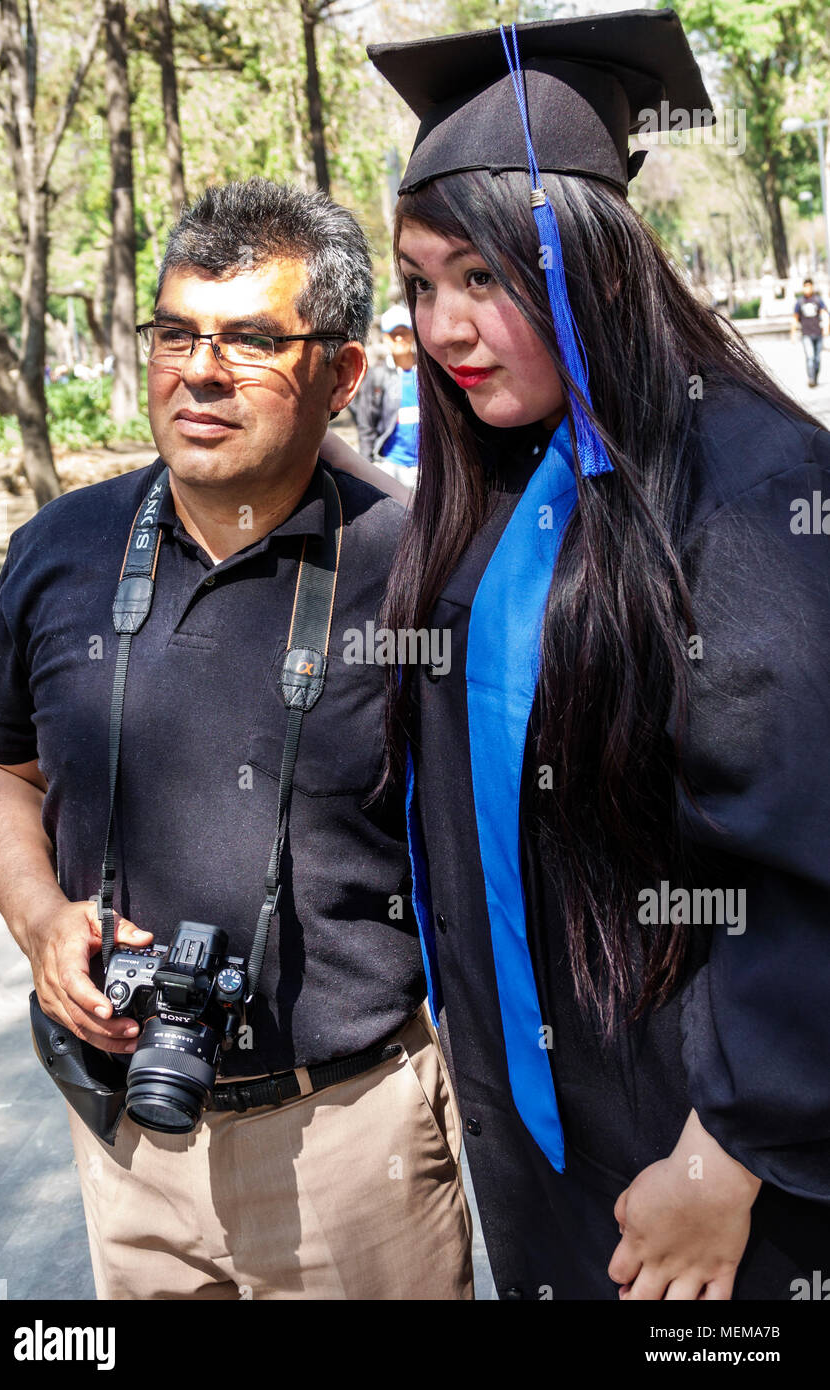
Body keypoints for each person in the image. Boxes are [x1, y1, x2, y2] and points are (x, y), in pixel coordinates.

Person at [330, 11, 830, 1300]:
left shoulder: (744, 493)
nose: (442, 325)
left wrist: (729, 1152)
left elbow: (806, 866)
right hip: (545, 1145)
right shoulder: (481, 474)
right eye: (422, 282)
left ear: (589, 263)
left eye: (485, 276)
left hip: (704, 1159)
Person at [0, 177, 472, 1301]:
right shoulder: (59, 550)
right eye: (177, 332)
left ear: (339, 375)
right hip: (128, 1135)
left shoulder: (423, 573)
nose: (199, 369)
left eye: (250, 341)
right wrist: (43, 918)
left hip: (355, 1148)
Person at [350, 303, 420, 485]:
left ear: (412, 334)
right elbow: (366, 424)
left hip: (430, 467)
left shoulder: (428, 374)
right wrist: (366, 469)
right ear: (385, 338)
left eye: (403, 332)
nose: (399, 339)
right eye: (393, 334)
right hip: (392, 466)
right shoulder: (377, 376)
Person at [791, 277, 828, 387]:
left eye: (809, 286)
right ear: (803, 288)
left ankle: (815, 377)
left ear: (812, 287)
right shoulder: (800, 302)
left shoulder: (818, 300)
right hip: (806, 334)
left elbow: (825, 314)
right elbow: (795, 318)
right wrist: (793, 333)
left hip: (818, 333)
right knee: (810, 357)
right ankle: (811, 379)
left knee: (817, 359)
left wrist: (826, 328)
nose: (807, 289)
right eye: (805, 286)